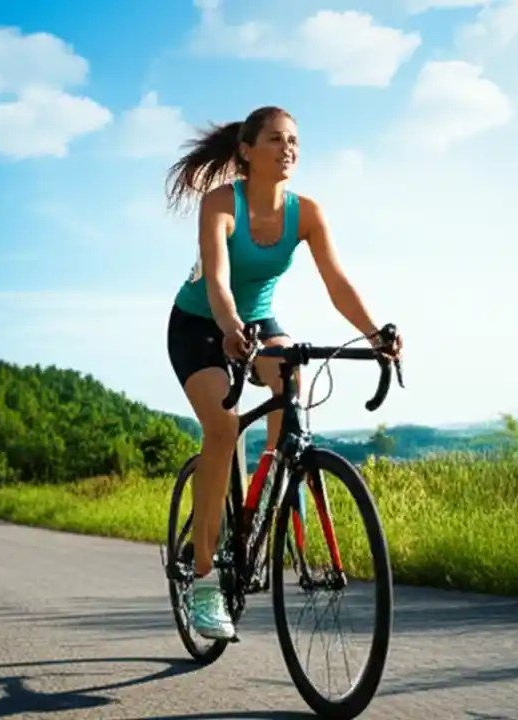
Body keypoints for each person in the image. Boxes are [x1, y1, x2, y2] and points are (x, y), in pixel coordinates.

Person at [163, 106, 402, 641]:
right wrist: (229, 328)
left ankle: (261, 508)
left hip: (258, 319)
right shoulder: (222, 203)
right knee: (223, 429)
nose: (289, 148)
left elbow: (337, 283)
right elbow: (219, 281)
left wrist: (375, 337)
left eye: (294, 141)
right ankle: (203, 582)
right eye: (276, 139)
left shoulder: (308, 212)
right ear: (247, 151)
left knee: (293, 384)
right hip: (201, 323)